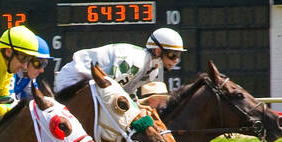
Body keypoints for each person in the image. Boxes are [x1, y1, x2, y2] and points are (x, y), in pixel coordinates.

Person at [54, 27, 186, 95]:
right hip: (72, 80)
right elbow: (109, 92)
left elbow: (128, 92)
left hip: (90, 85)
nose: (176, 60)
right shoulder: (135, 62)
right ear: (157, 51)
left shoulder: (152, 71)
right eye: (172, 55)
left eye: (178, 55)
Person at [10, 35, 53, 101]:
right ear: (25, 59)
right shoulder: (10, 73)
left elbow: (34, 101)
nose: (42, 70)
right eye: (38, 64)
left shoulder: (28, 76)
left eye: (44, 64)